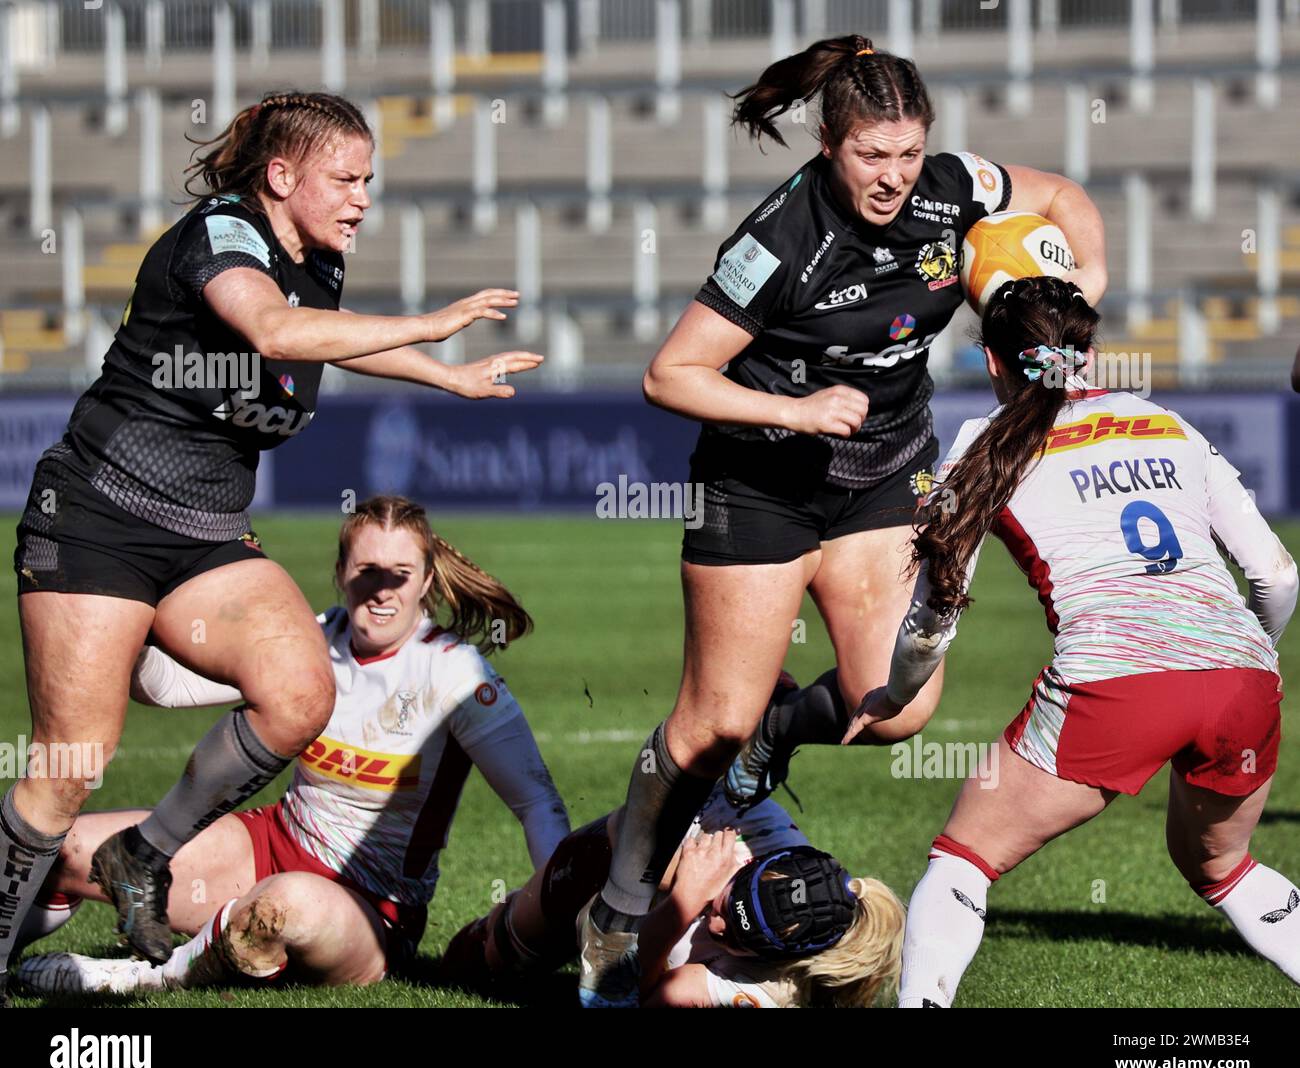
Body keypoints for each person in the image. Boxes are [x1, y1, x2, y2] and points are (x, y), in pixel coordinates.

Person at [578, 34, 1108, 1005]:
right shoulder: (778, 239)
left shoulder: (954, 188)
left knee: (899, 704)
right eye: (872, 156)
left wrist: (1082, 290)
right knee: (708, 727)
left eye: (908, 155)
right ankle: (614, 908)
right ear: (829, 143)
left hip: (881, 471)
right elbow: (668, 374)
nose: (894, 178)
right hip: (762, 483)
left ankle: (779, 732)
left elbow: (1066, 199)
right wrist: (793, 409)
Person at [5, 90, 543, 987]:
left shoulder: (313, 252)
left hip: (206, 535)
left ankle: (144, 854)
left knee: (299, 697)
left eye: (369, 179)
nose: (362, 197)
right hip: (102, 519)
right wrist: (431, 319)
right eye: (345, 178)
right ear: (280, 176)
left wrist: (441, 376)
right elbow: (274, 329)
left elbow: (323, 344)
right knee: (69, 767)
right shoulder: (224, 236)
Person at [844, 276, 1299, 1006]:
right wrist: (1238, 660)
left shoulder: (982, 444)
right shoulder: (1165, 421)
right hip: (1243, 681)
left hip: (1115, 685)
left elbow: (934, 618)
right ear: (1087, 351)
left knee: (963, 858)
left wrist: (893, 695)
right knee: (1224, 869)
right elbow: (1277, 576)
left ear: (994, 364)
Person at [14, 496, 570, 996]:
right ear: (340, 573)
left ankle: (138, 977)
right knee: (70, 848)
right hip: (267, 845)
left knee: (282, 908)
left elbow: (535, 802)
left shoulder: (456, 676)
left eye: (400, 575)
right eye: (366, 571)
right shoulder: (314, 638)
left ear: (425, 582)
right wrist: (123, 617)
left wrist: (557, 913)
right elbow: (166, 686)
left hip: (369, 908)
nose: (382, 590)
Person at [442, 784, 904, 1008]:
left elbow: (626, 1002)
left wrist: (688, 900)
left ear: (772, 956)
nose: (717, 925)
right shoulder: (754, 821)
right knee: (474, 963)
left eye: (736, 936)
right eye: (728, 904)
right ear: (758, 866)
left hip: (644, 944)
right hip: (606, 886)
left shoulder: (772, 990)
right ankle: (509, 933)